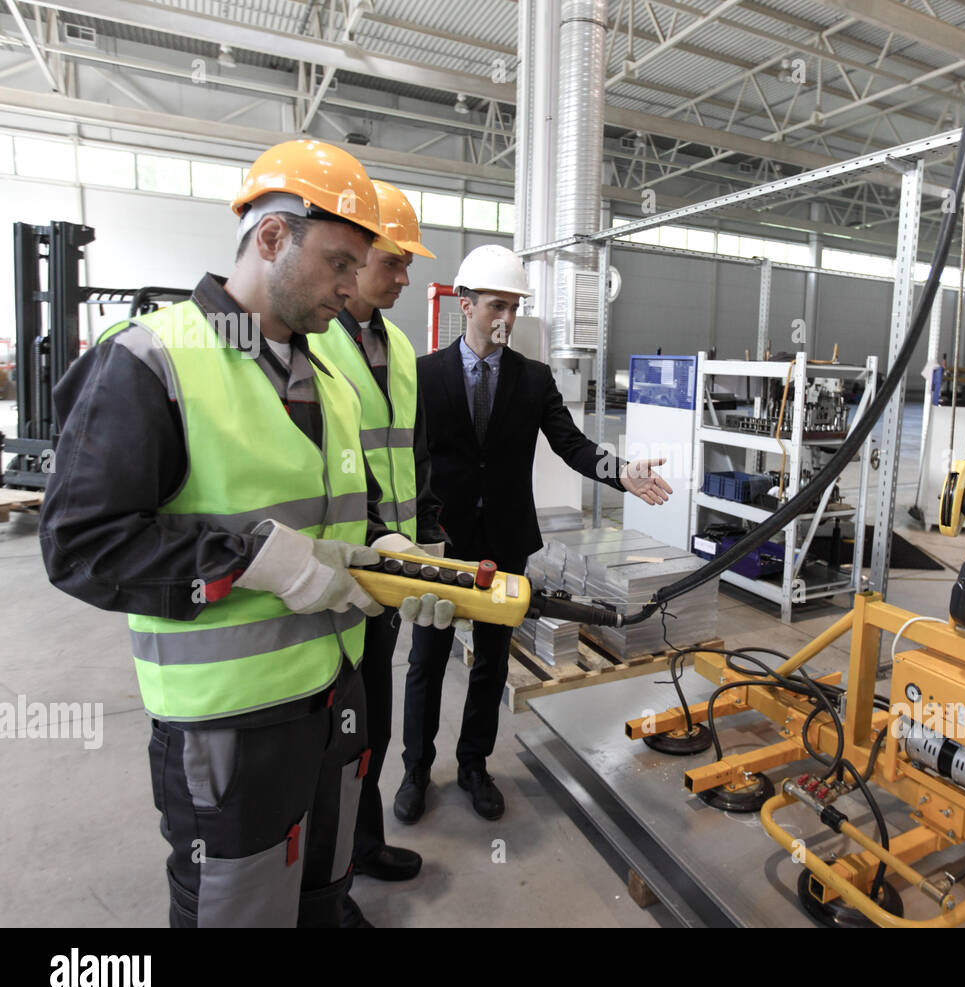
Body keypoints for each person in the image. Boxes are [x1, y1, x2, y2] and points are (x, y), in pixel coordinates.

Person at [39, 139, 448, 927]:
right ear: (271, 238)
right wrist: (253, 560)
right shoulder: (154, 358)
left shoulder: (327, 377)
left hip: (334, 695)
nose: (351, 284)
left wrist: (385, 557)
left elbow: (336, 513)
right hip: (231, 724)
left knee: (323, 887)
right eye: (337, 263)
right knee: (242, 909)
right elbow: (81, 544)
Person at [395, 244, 672, 823]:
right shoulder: (422, 376)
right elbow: (407, 460)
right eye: (497, 305)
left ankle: (474, 764)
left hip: (505, 541)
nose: (506, 319)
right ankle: (416, 770)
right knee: (427, 657)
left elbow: (572, 447)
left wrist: (619, 471)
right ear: (464, 305)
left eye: (514, 308)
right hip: (442, 543)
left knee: (492, 661)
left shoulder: (533, 379)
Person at [306, 180, 445, 884]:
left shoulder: (397, 344)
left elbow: (413, 452)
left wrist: (431, 532)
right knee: (334, 734)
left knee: (374, 726)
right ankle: (330, 881)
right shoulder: (314, 344)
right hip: (336, 566)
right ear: (354, 256)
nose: (403, 275)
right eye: (393, 261)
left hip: (393, 563)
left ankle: (362, 845)